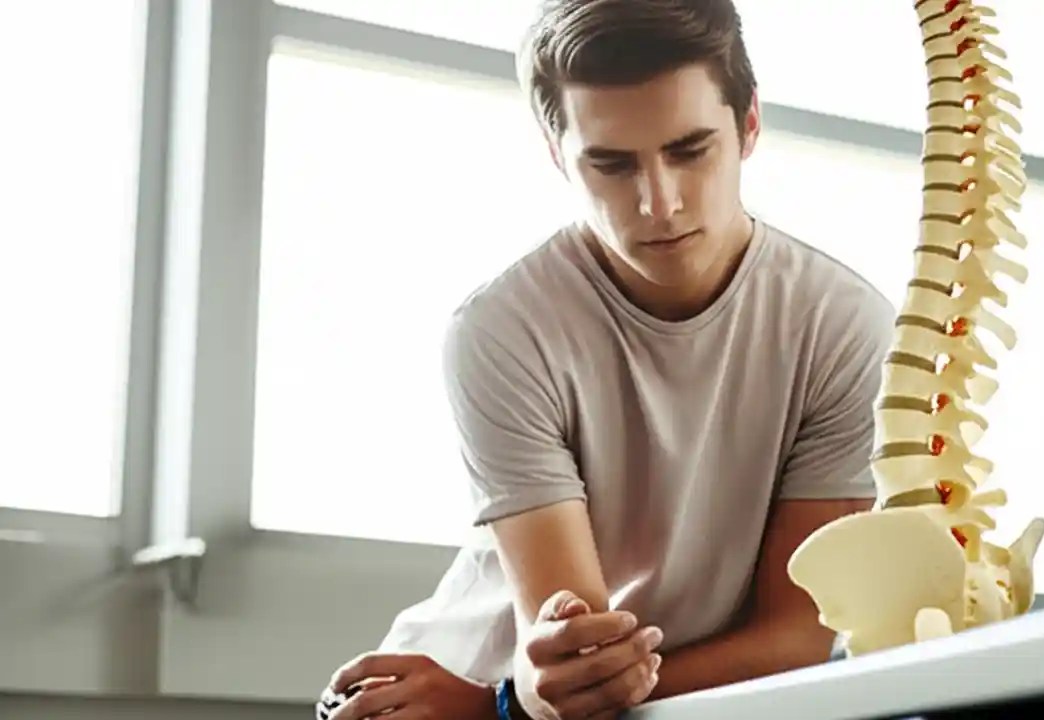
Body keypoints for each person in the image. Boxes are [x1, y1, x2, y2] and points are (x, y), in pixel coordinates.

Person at [318, 1, 895, 718]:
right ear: (557, 153)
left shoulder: (844, 329)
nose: (659, 203)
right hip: (468, 682)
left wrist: (499, 709)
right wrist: (513, 700)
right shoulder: (503, 329)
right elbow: (572, 661)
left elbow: (797, 638)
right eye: (611, 164)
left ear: (749, 124)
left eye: (690, 150)